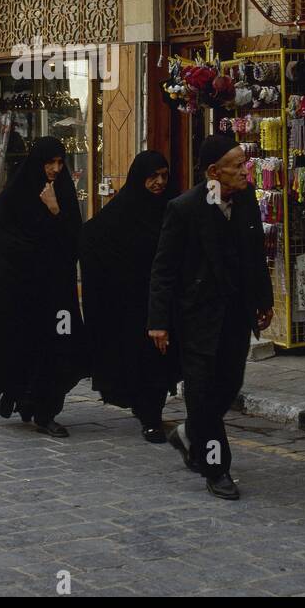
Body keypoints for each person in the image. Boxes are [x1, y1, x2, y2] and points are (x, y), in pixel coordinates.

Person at [147, 135, 273, 500]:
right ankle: (217, 468)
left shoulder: (246, 200)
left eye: (245, 164)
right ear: (214, 172)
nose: (246, 171)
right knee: (202, 396)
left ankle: (189, 434)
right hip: (197, 319)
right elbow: (164, 270)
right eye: (238, 166)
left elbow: (255, 255)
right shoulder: (184, 209)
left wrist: (264, 300)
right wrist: (158, 322)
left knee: (228, 385)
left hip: (235, 315)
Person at [0, 136, 86, 437]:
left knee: (61, 348)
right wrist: (25, 259)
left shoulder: (63, 192)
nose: (55, 169)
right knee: (27, 347)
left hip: (57, 292)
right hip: (25, 292)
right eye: (50, 162)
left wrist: (55, 210)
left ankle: (45, 410)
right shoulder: (19, 192)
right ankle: (26, 400)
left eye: (60, 162)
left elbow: (75, 239)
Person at [80, 151, 179, 442]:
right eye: (152, 177)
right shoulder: (122, 209)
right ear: (139, 178)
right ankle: (149, 417)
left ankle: (151, 412)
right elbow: (91, 236)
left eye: (164, 175)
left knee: (159, 360)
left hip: (161, 300)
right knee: (140, 359)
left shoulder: (172, 207)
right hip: (130, 302)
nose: (159, 182)